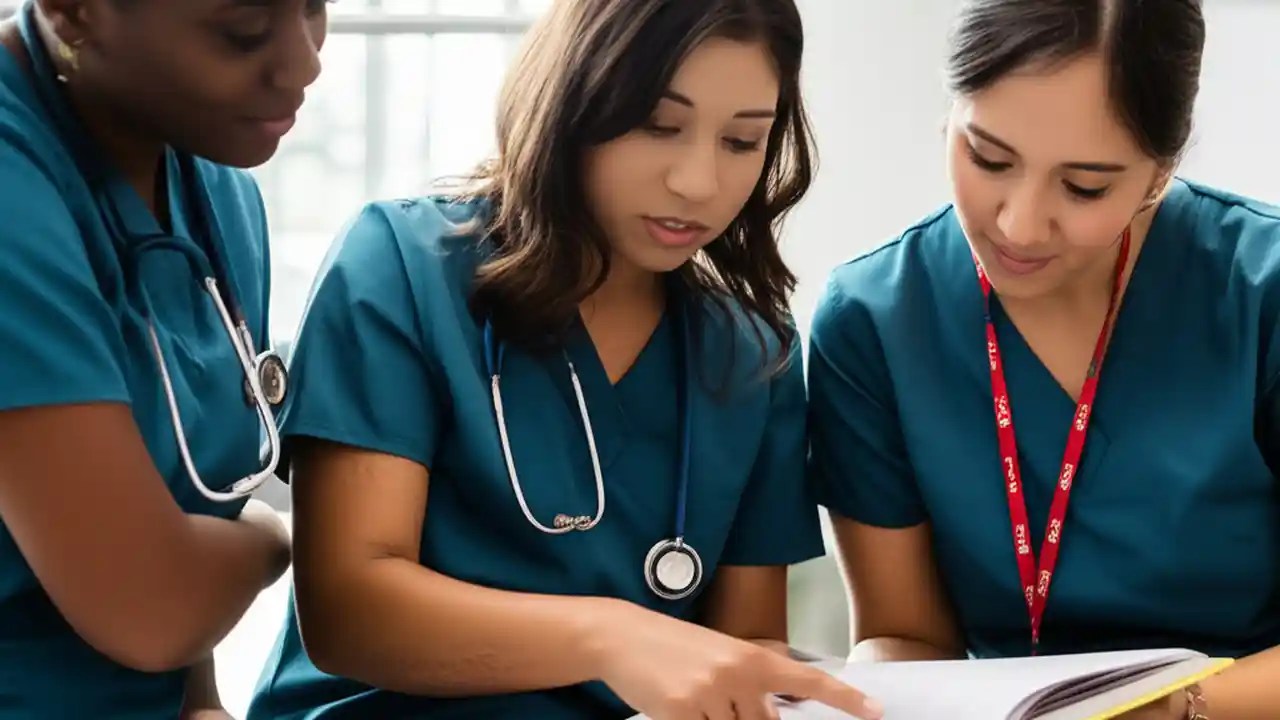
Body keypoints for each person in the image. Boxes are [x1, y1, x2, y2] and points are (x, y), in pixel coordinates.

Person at [245, 1, 881, 719]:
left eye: (742, 141)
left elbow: (745, 649)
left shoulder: (752, 352)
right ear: (572, 100)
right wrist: (607, 637)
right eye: (659, 126)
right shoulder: (401, 266)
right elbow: (350, 611)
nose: (698, 182)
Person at [807, 0, 1280, 718]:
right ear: (950, 114)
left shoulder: (1261, 293)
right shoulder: (874, 320)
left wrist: (1167, 710)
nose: (1019, 225)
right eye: (989, 158)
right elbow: (900, 636)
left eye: (1085, 185)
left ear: (1162, 169)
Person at [0, 0, 328, 717]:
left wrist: (201, 702)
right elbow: (148, 607)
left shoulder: (217, 190)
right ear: (72, 11)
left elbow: (185, 482)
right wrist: (271, 539)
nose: (306, 62)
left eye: (316, 5)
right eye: (242, 30)